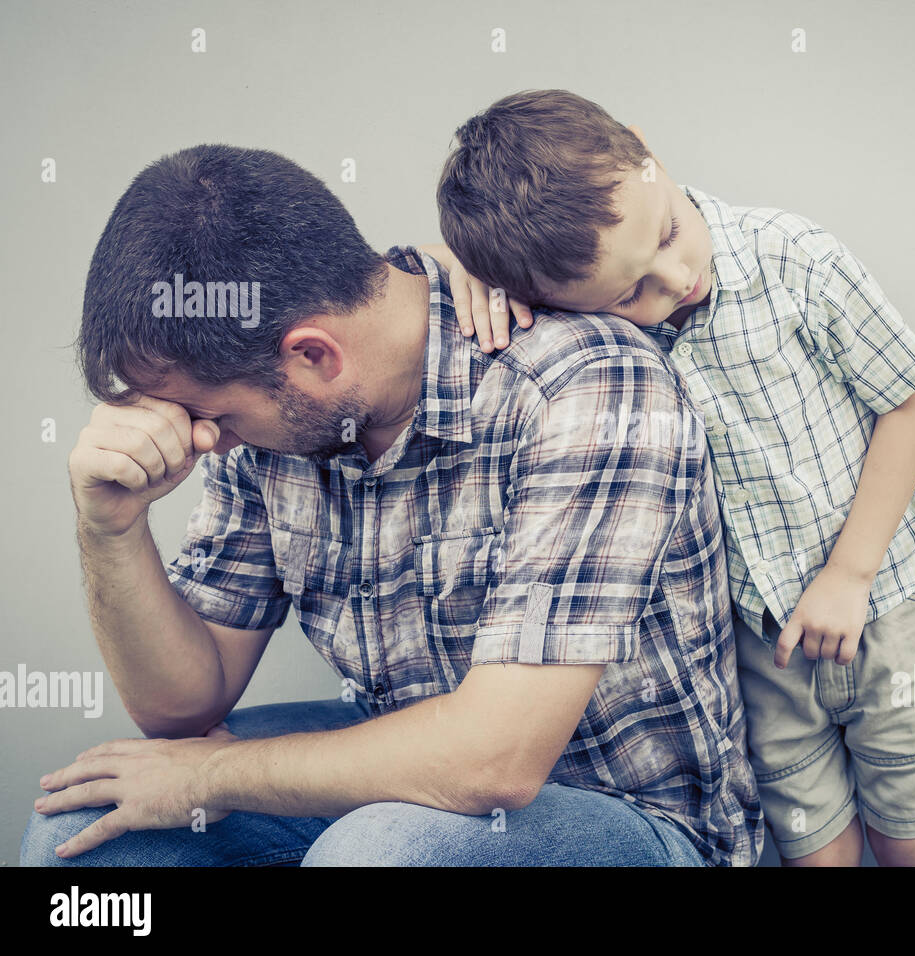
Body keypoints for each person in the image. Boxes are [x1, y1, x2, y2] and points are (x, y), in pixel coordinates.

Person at [20, 144, 762, 867]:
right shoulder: (266, 426)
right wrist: (110, 526)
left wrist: (208, 778)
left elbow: (493, 763)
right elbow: (182, 707)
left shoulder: (587, 385)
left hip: (631, 818)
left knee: (381, 852)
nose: (204, 442)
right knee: (84, 829)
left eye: (219, 418)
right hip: (396, 769)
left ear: (312, 357)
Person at [430, 89, 915, 866]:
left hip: (896, 605)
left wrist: (850, 574)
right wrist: (453, 266)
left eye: (667, 232)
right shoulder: (585, 331)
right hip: (761, 637)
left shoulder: (794, 257)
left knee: (912, 839)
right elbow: (404, 279)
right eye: (630, 292)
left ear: (647, 153)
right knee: (813, 846)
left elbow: (909, 407)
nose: (675, 279)